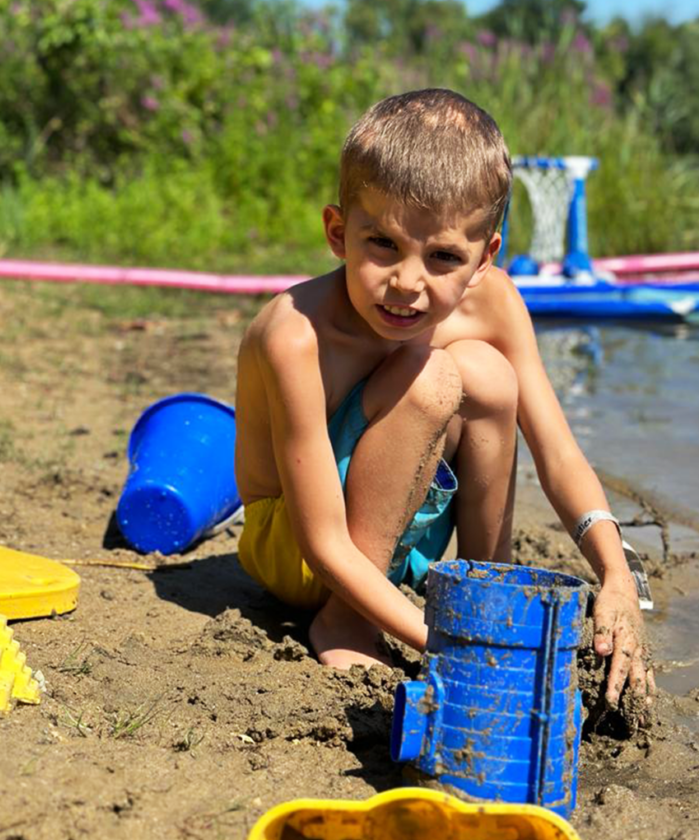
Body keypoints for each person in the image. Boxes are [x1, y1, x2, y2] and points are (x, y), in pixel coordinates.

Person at [234, 88, 652, 708]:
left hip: (396, 529)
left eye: (443, 257)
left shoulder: (497, 303)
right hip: (297, 550)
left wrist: (616, 575)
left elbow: (558, 454)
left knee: (487, 372)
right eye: (382, 245)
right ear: (337, 231)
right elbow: (321, 542)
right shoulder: (295, 335)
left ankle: (490, 592)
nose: (407, 282)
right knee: (431, 377)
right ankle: (350, 621)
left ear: (485, 258)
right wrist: (442, 642)